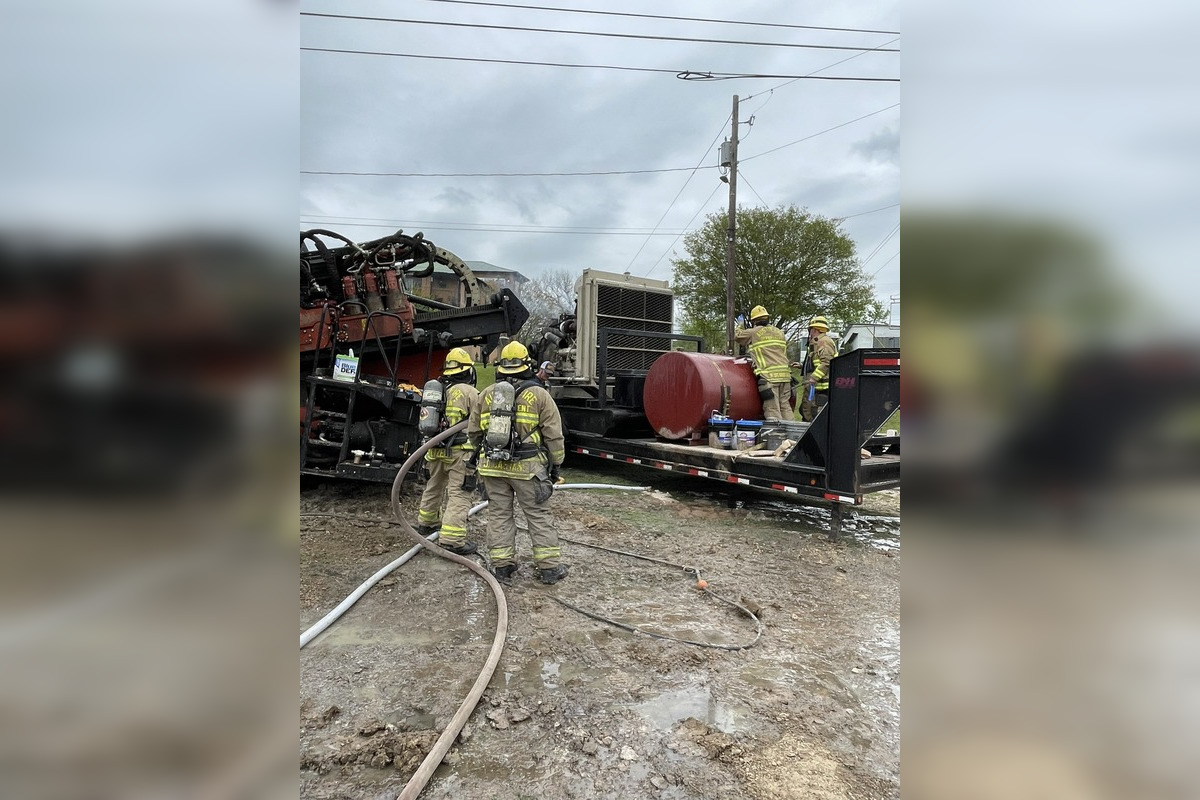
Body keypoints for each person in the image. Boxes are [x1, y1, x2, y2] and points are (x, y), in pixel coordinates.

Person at [468, 341, 568, 585]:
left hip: (492, 467)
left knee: (499, 514)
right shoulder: (540, 395)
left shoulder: (486, 394)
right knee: (538, 516)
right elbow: (554, 436)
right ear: (527, 365)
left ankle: (502, 567)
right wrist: (556, 465)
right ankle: (549, 569)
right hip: (528, 469)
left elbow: (473, 433)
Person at [415, 347, 480, 555]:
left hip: (433, 450)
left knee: (434, 486)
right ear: (467, 371)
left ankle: (427, 522)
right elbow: (480, 423)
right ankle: (451, 539)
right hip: (460, 452)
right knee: (459, 493)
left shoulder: (437, 389)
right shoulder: (470, 392)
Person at [734, 305, 793, 421]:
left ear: (754, 321)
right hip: (785, 377)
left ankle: (777, 437)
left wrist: (740, 325)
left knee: (772, 409)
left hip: (769, 377)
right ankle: (793, 436)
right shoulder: (779, 332)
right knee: (785, 407)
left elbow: (738, 337)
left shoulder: (754, 332)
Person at [795, 315, 837, 422]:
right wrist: (802, 366)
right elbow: (817, 362)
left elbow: (827, 362)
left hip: (822, 386)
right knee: (805, 410)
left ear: (814, 329)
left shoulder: (824, 342)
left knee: (813, 411)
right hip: (816, 386)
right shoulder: (817, 342)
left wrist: (814, 377)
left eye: (810, 330)